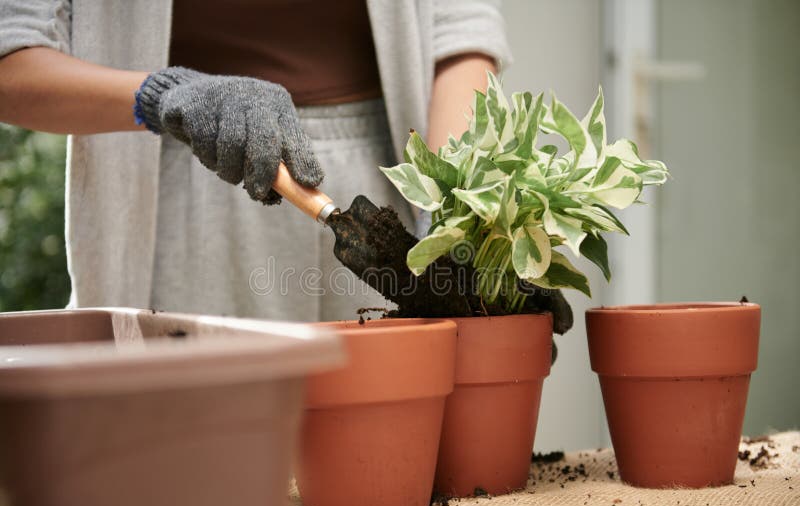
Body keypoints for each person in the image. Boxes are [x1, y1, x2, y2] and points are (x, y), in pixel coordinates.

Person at [0, 0, 512, 322]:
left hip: (391, 176)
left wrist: (450, 214)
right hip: (188, 191)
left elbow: (460, 33)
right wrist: (166, 95)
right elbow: (14, 52)